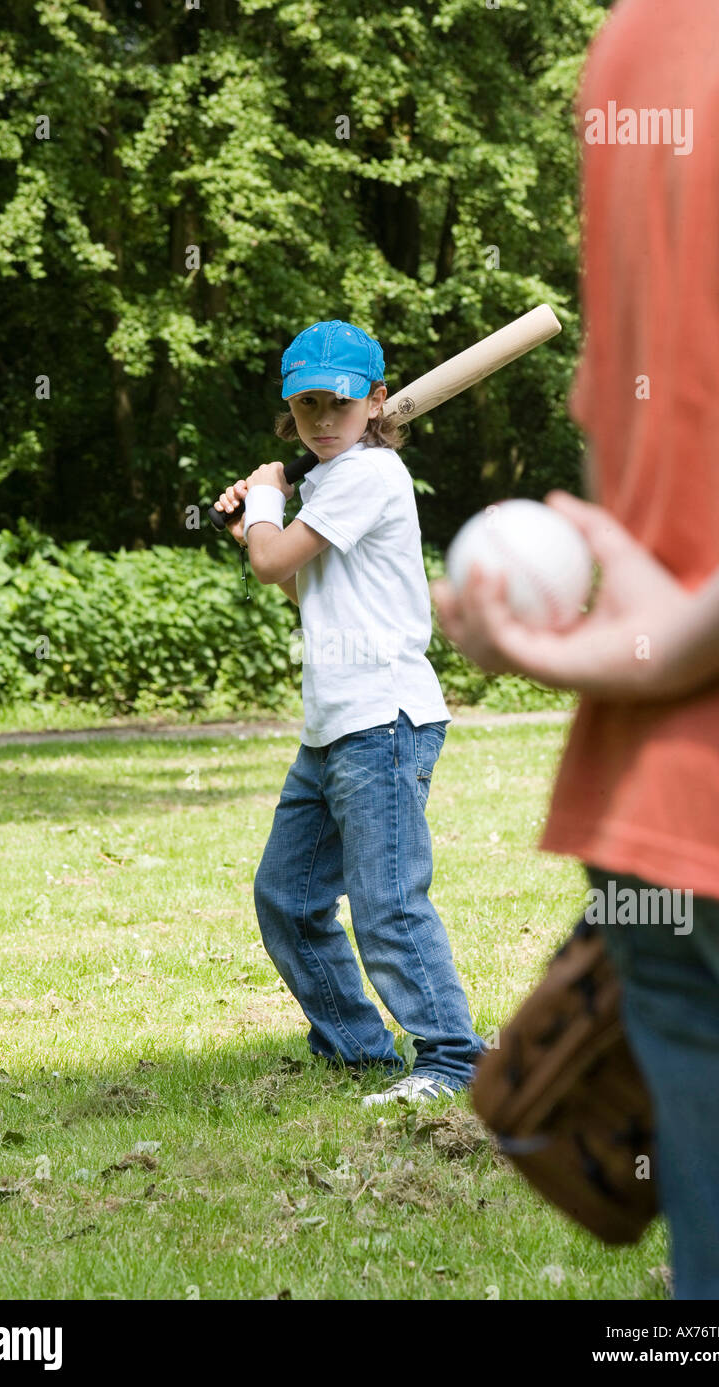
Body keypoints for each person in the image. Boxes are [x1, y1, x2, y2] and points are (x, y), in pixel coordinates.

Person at [432, 0, 719, 1300]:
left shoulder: (635, 41)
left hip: (662, 829)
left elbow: (620, 421)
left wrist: (605, 621)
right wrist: (656, 646)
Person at [214, 319, 483, 1106]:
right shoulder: (331, 484)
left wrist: (265, 497)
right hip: (332, 725)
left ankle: (451, 1060)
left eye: (340, 402)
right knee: (288, 897)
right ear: (290, 410)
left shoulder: (370, 475)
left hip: (384, 720)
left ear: (376, 399)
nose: (324, 419)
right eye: (306, 408)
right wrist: (253, 523)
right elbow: (300, 583)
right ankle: (359, 1052)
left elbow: (274, 559)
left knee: (387, 901)